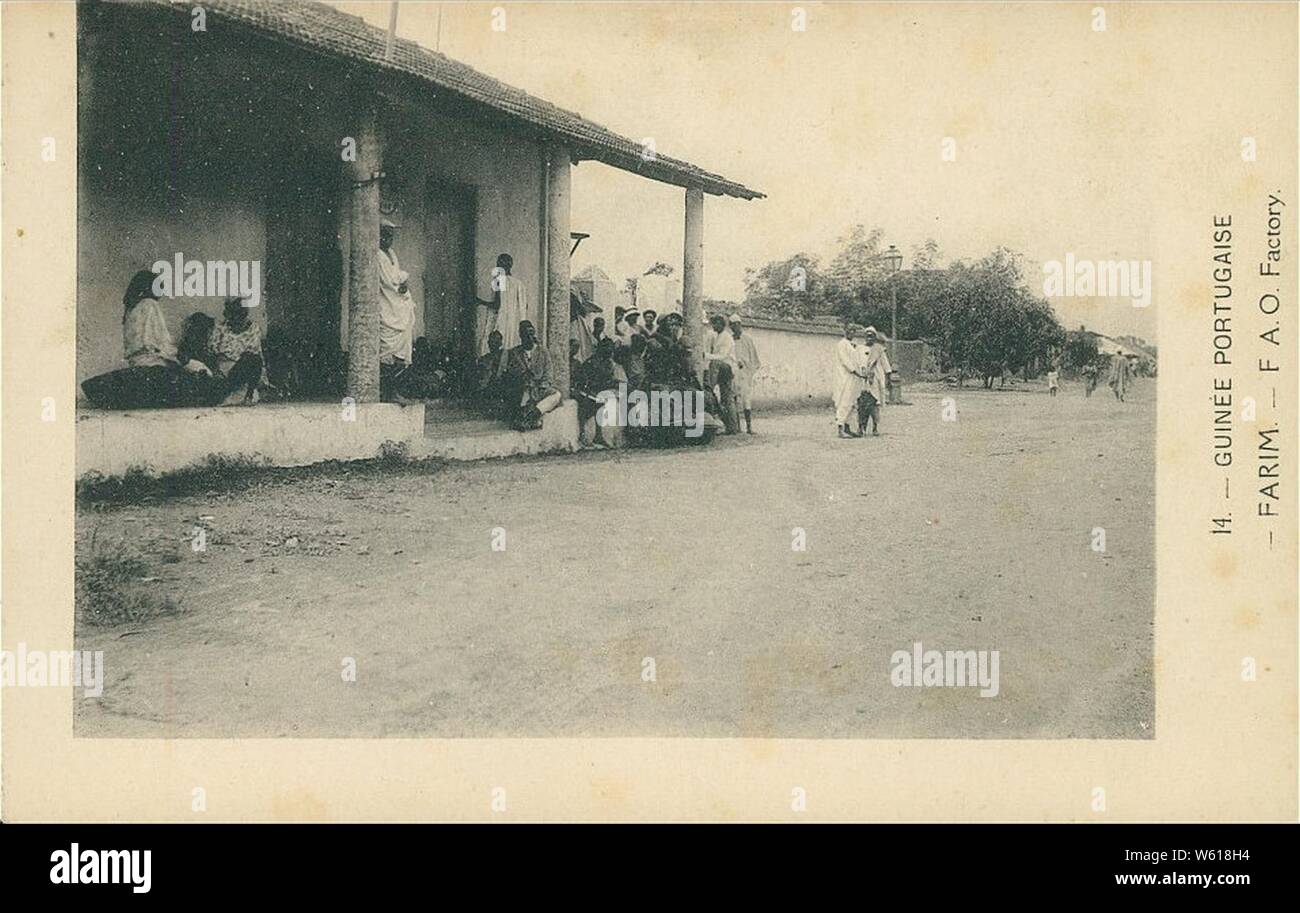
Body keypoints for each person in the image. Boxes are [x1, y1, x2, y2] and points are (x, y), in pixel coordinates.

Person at [81, 269, 215, 409]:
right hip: (153, 363)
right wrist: (189, 362)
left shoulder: (131, 309)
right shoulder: (149, 304)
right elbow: (160, 345)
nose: (162, 292)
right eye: (159, 287)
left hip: (137, 362)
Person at [376, 218, 417, 403]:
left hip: (398, 304)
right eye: (384, 235)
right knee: (387, 352)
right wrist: (401, 281)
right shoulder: (377, 254)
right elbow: (388, 281)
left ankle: (396, 390)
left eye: (390, 236)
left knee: (401, 351)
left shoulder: (391, 253)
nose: (387, 239)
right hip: (387, 304)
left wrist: (403, 281)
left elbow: (398, 276)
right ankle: (388, 391)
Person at [504, 320, 562, 430]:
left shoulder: (543, 352)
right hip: (522, 389)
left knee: (556, 395)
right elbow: (510, 373)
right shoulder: (514, 352)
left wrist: (542, 386)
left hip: (539, 388)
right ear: (521, 336)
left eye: (531, 333)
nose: (530, 337)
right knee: (523, 398)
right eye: (526, 335)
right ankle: (526, 418)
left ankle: (532, 415)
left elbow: (548, 373)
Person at [210, 296, 265, 405]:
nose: (239, 316)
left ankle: (247, 396)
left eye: (242, 312)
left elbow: (253, 351)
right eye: (235, 312)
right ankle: (226, 391)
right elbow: (213, 350)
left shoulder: (253, 328)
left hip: (244, 369)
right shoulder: (220, 328)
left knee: (252, 359)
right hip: (225, 369)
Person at [476, 253, 529, 356]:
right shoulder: (519, 284)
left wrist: (480, 302)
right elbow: (524, 307)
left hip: (500, 323)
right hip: (512, 325)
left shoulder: (498, 281)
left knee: (494, 348)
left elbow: (497, 305)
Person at [703, 313, 738, 433]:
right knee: (725, 398)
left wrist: (706, 356)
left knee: (727, 398)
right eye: (713, 323)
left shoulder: (726, 337)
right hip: (721, 368)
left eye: (716, 323)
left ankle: (732, 427)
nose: (713, 326)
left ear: (722, 324)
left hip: (726, 367)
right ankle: (731, 427)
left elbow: (722, 356)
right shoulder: (718, 336)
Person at [856, 326, 892, 436]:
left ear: (875, 338)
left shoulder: (879, 350)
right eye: (867, 336)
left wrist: (888, 380)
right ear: (865, 337)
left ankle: (875, 428)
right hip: (863, 380)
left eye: (872, 336)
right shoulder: (859, 349)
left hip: (875, 380)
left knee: (874, 404)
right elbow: (856, 363)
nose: (869, 338)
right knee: (862, 404)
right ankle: (861, 427)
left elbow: (886, 366)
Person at [729, 313, 761, 434]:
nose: (733, 328)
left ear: (739, 325)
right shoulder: (730, 339)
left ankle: (749, 427)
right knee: (734, 398)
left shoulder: (747, 339)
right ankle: (737, 427)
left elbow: (753, 357)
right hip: (733, 372)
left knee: (746, 399)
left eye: (735, 325)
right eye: (731, 326)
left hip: (745, 373)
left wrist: (747, 367)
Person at [832, 323, 865, 438]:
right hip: (845, 377)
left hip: (853, 378)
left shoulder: (852, 345)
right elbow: (845, 361)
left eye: (854, 330)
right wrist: (855, 371)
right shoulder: (842, 344)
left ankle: (847, 427)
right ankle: (840, 428)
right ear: (845, 331)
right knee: (844, 401)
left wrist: (860, 372)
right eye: (849, 330)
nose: (852, 332)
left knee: (852, 402)